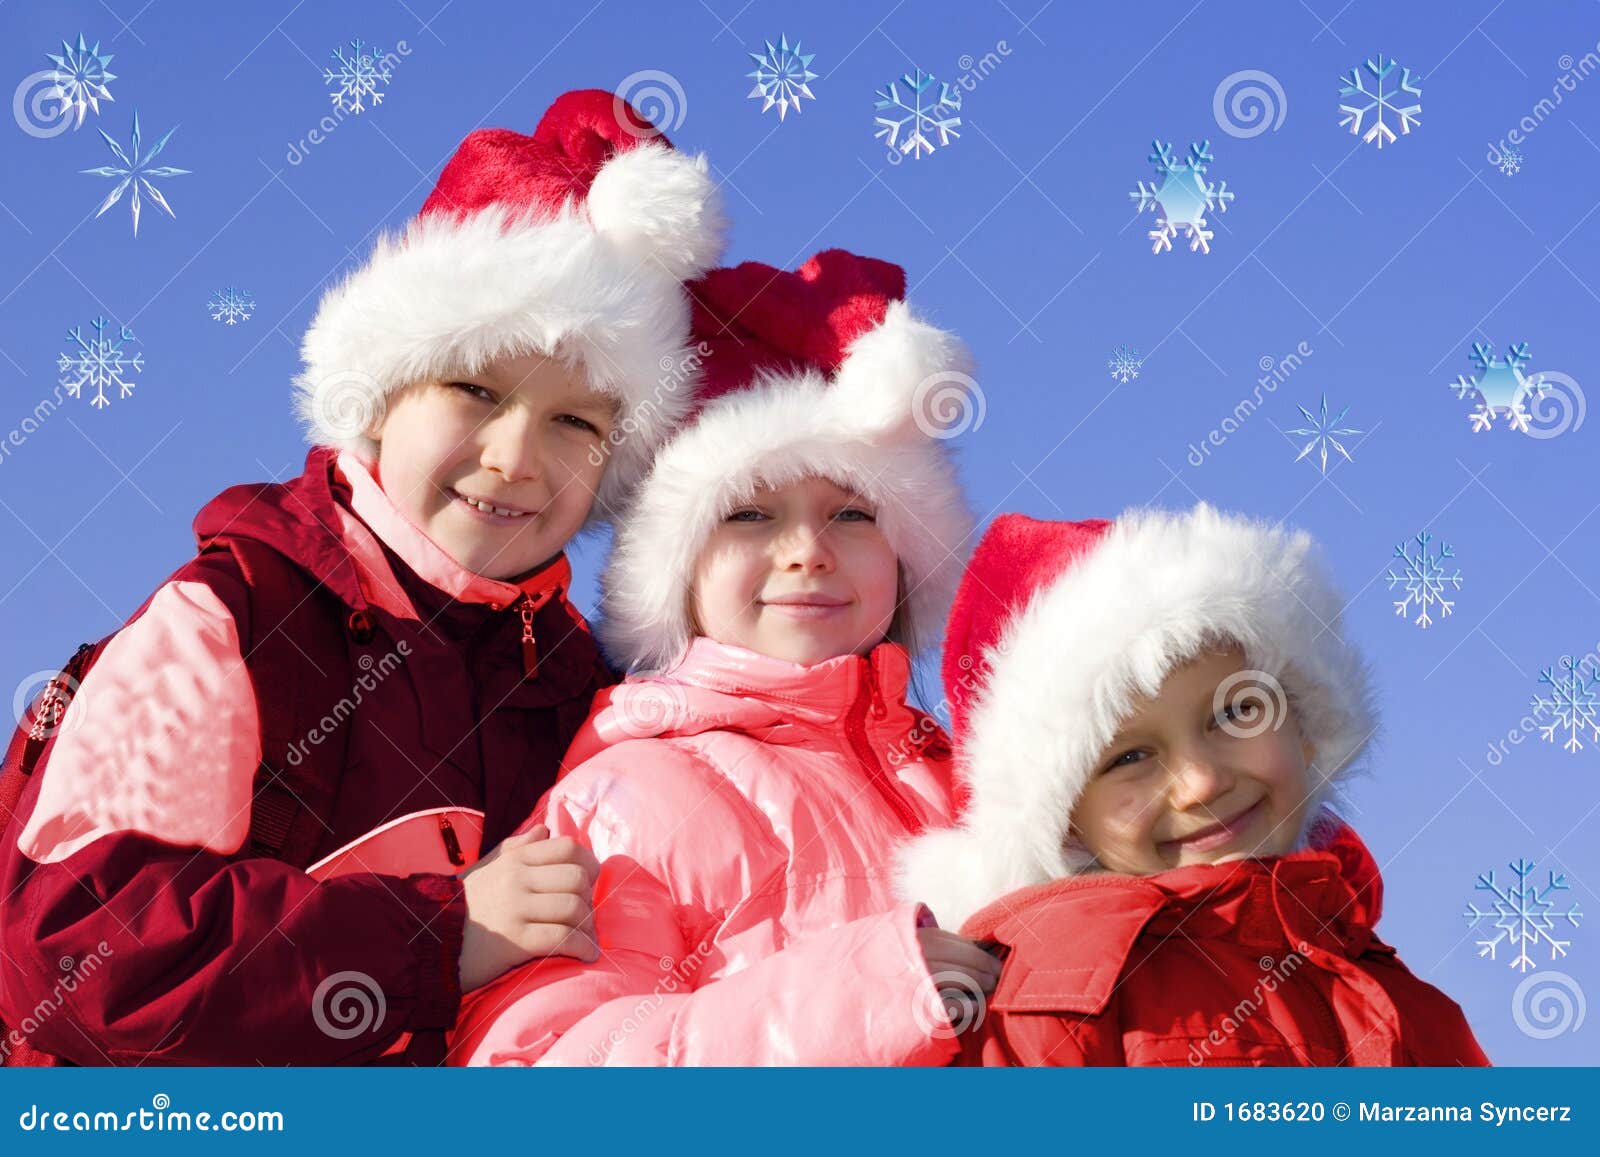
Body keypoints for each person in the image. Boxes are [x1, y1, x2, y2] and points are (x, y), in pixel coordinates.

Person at [0, 89, 725, 1066]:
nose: (516, 456)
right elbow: (82, 953)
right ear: (380, 399)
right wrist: (435, 937)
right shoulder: (234, 617)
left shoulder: (576, 693)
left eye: (576, 422)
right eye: (475, 388)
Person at [448, 248, 997, 1066]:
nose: (808, 550)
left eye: (852, 513)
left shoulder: (982, 783)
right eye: (748, 515)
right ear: (678, 571)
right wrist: (854, 999)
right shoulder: (628, 799)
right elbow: (538, 1064)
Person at [897, 507, 1492, 1066]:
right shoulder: (1043, 1005)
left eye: (1237, 715)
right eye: (1129, 756)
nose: (1201, 782)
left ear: (1305, 726)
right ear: (1065, 818)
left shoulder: (1405, 999)